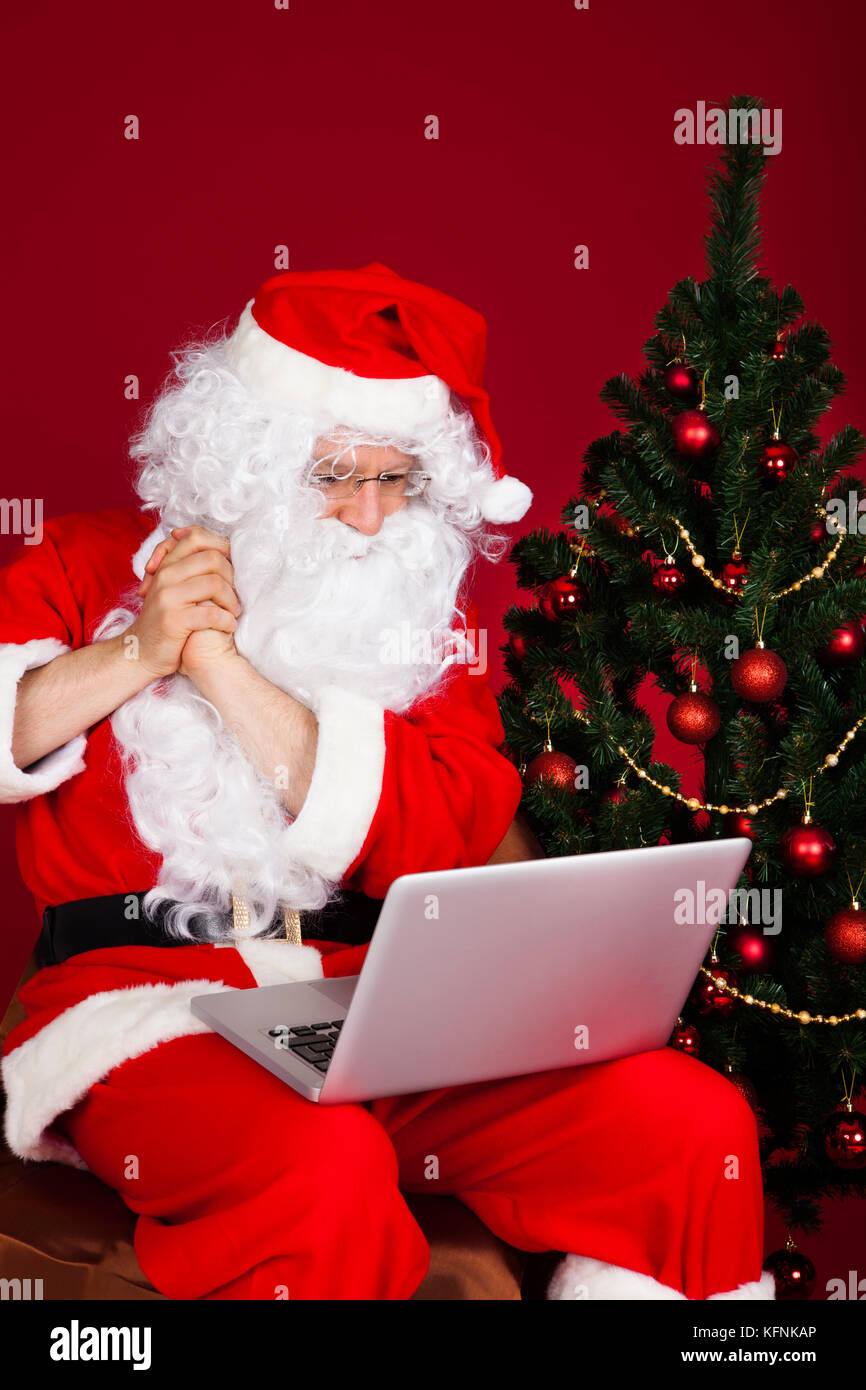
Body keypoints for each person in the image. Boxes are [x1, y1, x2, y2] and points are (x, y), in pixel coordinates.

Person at [0, 263, 773, 1301]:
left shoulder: (418, 635)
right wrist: (142, 652)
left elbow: (442, 834)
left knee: (687, 1125)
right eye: (334, 476)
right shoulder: (82, 559)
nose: (369, 516)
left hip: (372, 1015)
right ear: (248, 469)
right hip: (142, 1013)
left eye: (395, 479)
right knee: (322, 1168)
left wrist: (223, 672)